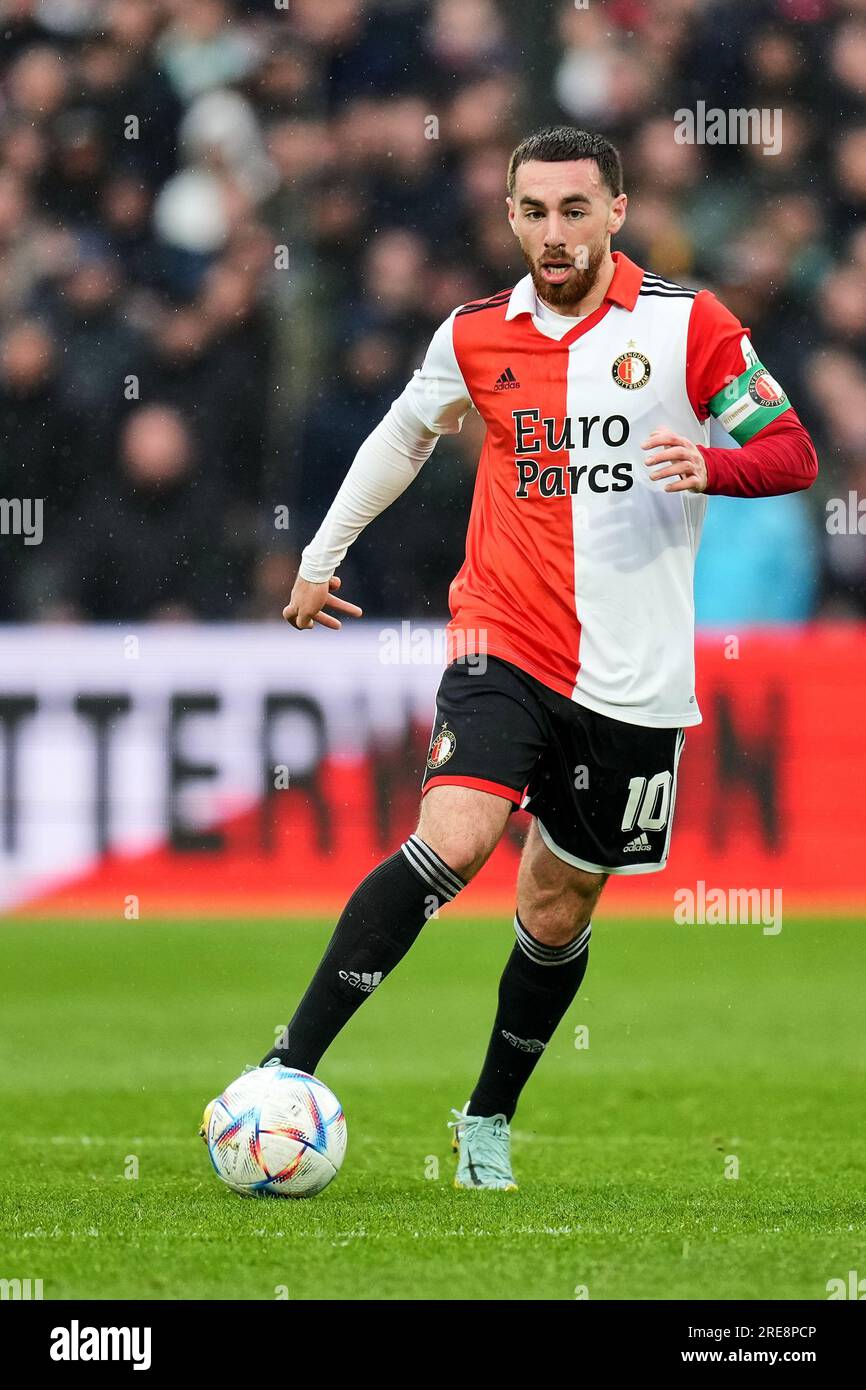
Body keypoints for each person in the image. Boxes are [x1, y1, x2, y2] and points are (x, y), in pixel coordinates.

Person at [204, 127, 818, 1190]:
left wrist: (709, 464)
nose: (552, 232)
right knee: (451, 838)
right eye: (531, 211)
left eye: (573, 209)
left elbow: (792, 451)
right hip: (501, 638)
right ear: (510, 217)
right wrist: (318, 555)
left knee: (555, 908)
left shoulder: (687, 327)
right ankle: (283, 1067)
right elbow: (404, 433)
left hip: (632, 677)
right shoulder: (477, 334)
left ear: (616, 212)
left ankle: (487, 1113)